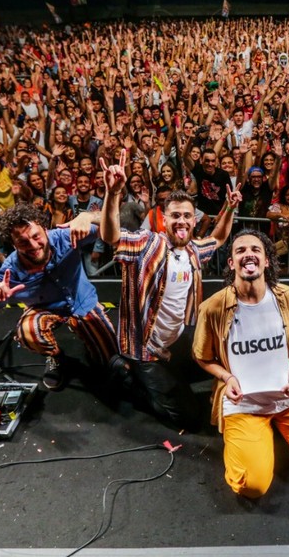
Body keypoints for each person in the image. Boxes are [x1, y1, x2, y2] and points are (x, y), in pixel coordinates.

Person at [98, 149, 242, 431]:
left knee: (216, 359)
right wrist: (113, 193)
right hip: (144, 349)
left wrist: (230, 207)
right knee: (187, 418)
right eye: (175, 216)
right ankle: (129, 377)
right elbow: (110, 236)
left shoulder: (192, 250)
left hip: (173, 343)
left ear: (193, 219)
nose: (182, 222)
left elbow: (219, 237)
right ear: (164, 219)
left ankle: (160, 377)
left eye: (187, 216)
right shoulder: (147, 244)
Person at [192, 228, 289, 498]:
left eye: (255, 250)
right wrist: (227, 379)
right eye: (240, 250)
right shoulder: (213, 307)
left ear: (266, 261)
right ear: (231, 263)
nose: (248, 254)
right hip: (243, 404)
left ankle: (273, 430)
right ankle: (256, 436)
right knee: (252, 487)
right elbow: (203, 357)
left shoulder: (287, 298)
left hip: (288, 397)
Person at [0, 202, 117, 391]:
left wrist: (89, 216)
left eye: (36, 236)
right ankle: (55, 356)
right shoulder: (9, 272)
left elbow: (114, 227)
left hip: (82, 301)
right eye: (23, 242)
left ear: (45, 229)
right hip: (45, 308)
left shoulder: (65, 237)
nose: (33, 245)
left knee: (110, 361)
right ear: (13, 244)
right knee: (28, 331)